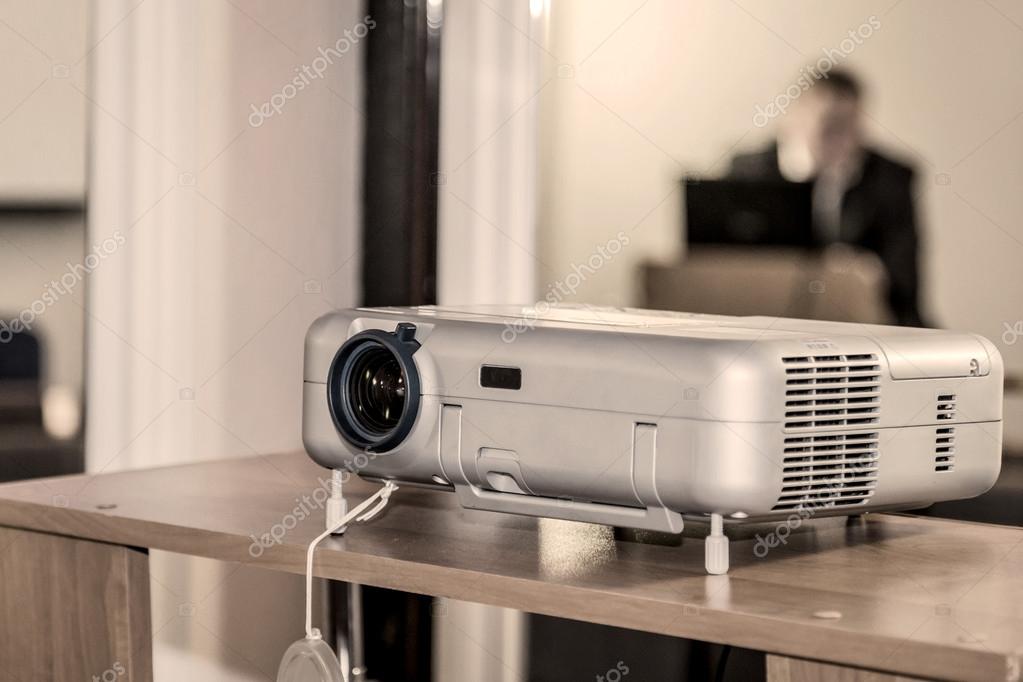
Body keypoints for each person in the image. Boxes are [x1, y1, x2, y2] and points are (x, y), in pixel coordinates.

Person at [731, 69, 925, 327]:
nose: (841, 138)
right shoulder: (747, 173)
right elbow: (730, 269)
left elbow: (904, 284)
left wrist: (856, 272)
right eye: (828, 125)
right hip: (766, 323)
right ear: (794, 119)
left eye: (849, 126)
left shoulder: (890, 179)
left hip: (866, 327)